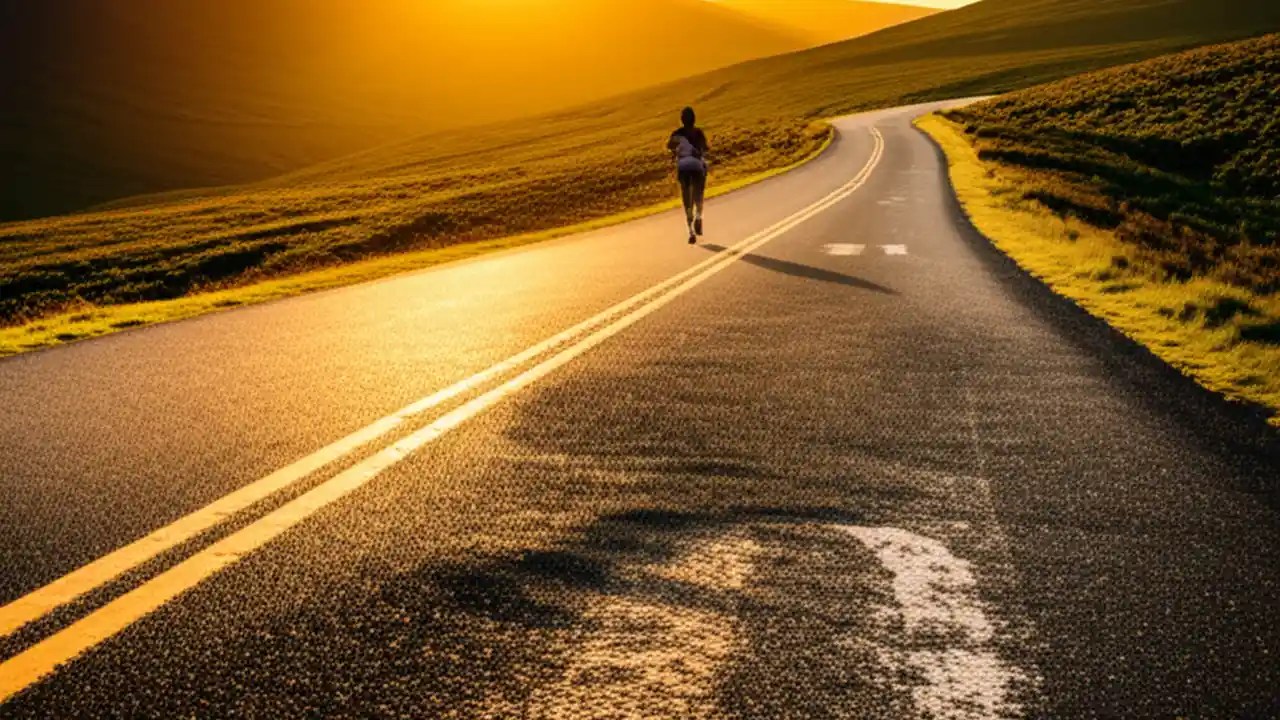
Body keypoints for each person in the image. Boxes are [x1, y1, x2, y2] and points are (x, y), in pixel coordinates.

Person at [667, 107, 709, 244]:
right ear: (694, 119)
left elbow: (669, 146)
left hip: (683, 167)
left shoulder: (677, 133)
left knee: (686, 199)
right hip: (696, 166)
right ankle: (698, 216)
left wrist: (676, 151)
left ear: (682, 120)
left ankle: (691, 231)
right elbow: (705, 148)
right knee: (699, 193)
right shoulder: (698, 133)